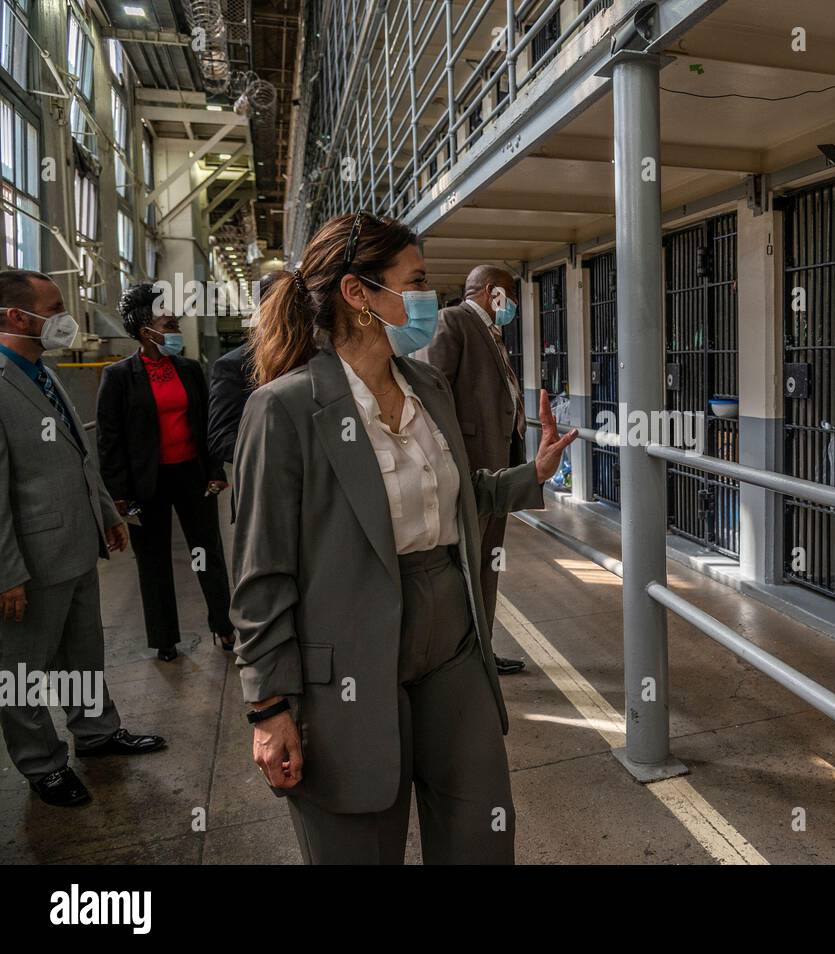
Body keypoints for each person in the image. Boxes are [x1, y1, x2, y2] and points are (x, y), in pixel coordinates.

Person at [231, 212, 575, 864]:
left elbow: (457, 495)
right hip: (348, 662)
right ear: (359, 295)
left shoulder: (428, 386)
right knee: (359, 843)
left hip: (452, 643)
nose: (427, 298)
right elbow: (260, 572)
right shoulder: (283, 410)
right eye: (414, 281)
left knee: (483, 837)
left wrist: (529, 475)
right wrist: (269, 708)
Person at [0, 269, 166, 807]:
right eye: (52, 306)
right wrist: (7, 574)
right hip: (29, 561)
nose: (64, 316)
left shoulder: (42, 374)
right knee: (20, 673)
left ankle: (95, 732)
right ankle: (43, 765)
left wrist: (106, 515)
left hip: (73, 547)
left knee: (83, 654)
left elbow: (76, 454)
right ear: (16, 316)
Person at [96, 283, 235, 661]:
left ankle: (224, 626)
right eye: (169, 323)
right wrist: (118, 492)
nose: (175, 329)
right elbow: (110, 440)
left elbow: (208, 424)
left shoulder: (190, 370)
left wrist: (215, 470)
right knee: (153, 560)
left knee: (207, 553)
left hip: (192, 476)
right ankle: (164, 639)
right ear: (146, 332)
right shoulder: (119, 377)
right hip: (146, 484)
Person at [413, 265, 529, 676]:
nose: (513, 304)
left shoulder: (493, 332)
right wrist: (453, 461)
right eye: (510, 294)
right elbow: (431, 392)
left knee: (487, 564)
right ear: (492, 292)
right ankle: (461, 657)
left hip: (496, 472)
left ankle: (483, 650)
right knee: (466, 565)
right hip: (472, 471)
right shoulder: (454, 321)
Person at [209, 273, 282, 469]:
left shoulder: (314, 357)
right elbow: (221, 439)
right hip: (264, 484)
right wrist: (284, 458)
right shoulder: (233, 365)